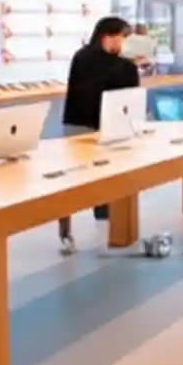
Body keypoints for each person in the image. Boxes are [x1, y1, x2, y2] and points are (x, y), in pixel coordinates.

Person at [58, 16, 141, 255]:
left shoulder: (121, 64)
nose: (122, 43)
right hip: (81, 126)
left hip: (110, 128)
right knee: (74, 179)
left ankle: (107, 220)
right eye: (121, 37)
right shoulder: (84, 58)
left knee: (110, 176)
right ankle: (66, 230)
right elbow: (92, 90)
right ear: (107, 36)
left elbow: (126, 93)